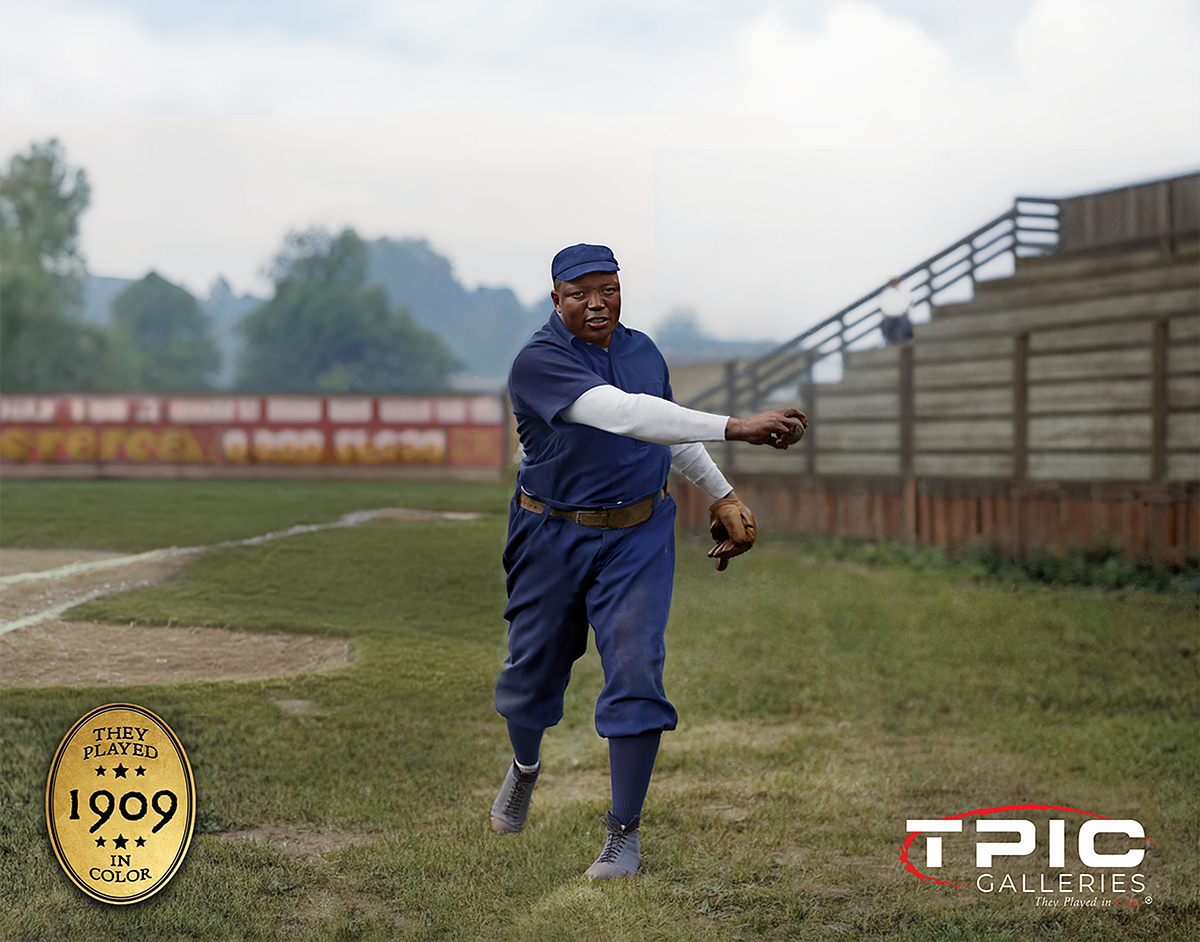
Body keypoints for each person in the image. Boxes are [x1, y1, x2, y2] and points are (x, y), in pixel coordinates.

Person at [491, 243, 806, 880]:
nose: (597, 303)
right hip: (550, 532)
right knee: (532, 676)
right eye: (579, 294)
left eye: (607, 289)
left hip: (637, 533)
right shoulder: (539, 361)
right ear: (556, 299)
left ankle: (623, 836)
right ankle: (524, 768)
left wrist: (722, 494)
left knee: (636, 667)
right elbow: (625, 414)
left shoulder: (643, 351)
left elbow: (668, 429)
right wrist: (737, 426)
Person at [879, 276, 914, 346]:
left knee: (903, 325)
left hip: (902, 316)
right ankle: (892, 343)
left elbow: (907, 303)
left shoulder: (903, 291)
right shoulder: (886, 292)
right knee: (886, 326)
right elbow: (884, 306)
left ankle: (902, 343)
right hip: (889, 317)